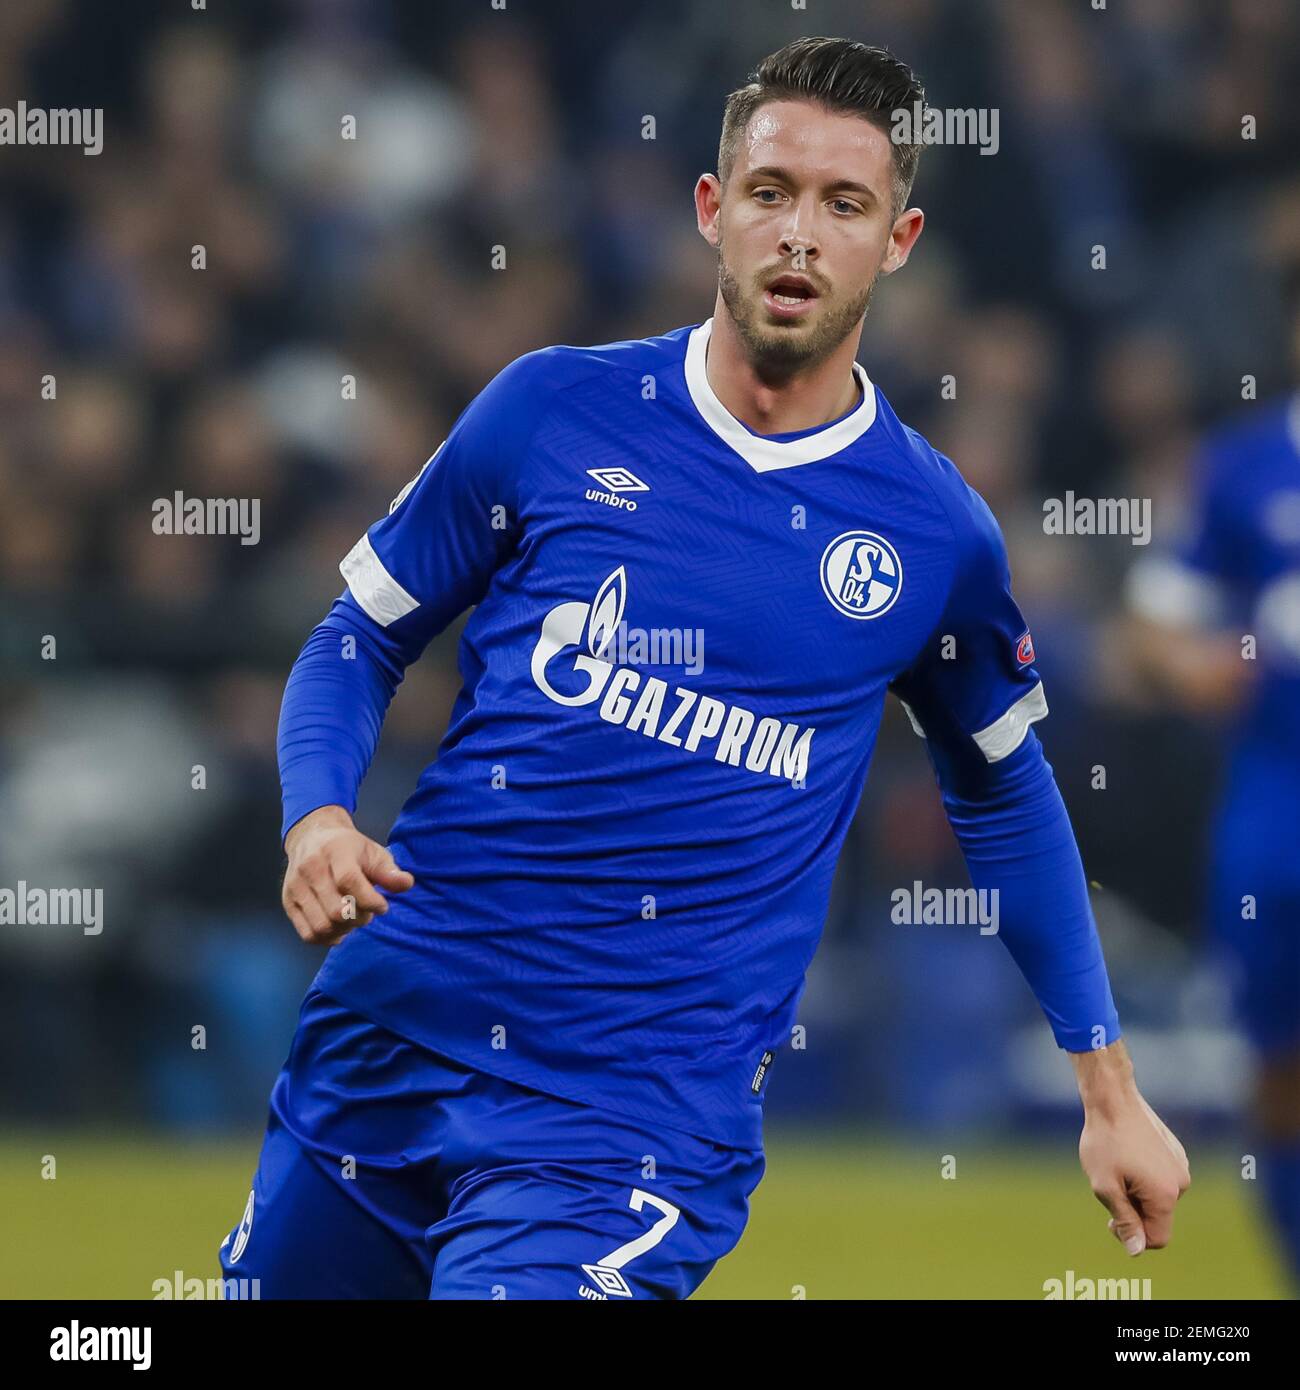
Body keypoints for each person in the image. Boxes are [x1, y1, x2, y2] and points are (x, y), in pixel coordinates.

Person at [221, 36, 1189, 1299]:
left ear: (895, 241)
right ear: (711, 208)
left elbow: (1002, 788)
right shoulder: (547, 412)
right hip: (391, 1033)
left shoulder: (931, 532)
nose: (799, 234)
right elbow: (358, 636)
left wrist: (1105, 1083)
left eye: (843, 204)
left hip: (626, 1125)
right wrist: (317, 816)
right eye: (772, 191)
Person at [1126, 344, 1300, 1289]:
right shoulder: (1246, 464)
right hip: (1276, 817)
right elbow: (1154, 616)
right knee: (1279, 1066)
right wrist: (1187, 664)